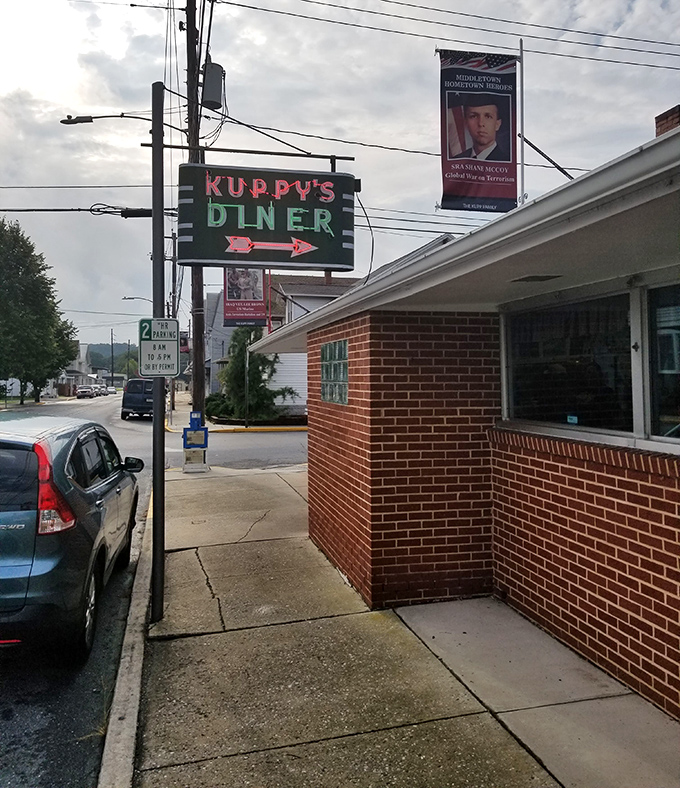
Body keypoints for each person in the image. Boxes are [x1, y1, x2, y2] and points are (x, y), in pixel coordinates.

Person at [453, 94, 510, 161]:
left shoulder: (505, 161)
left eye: (488, 116)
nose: (480, 123)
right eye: (474, 116)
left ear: (497, 124)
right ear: (466, 123)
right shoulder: (457, 161)